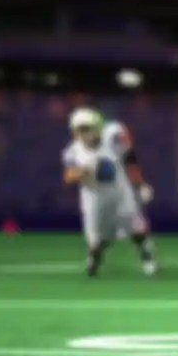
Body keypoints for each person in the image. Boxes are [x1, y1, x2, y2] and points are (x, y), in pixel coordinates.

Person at [61, 108, 157, 277]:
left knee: (135, 227)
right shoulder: (73, 151)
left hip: (120, 192)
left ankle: (146, 255)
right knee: (98, 239)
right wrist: (83, 171)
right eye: (79, 130)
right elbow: (68, 176)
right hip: (93, 198)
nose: (83, 134)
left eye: (86, 129)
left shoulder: (113, 137)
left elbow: (130, 159)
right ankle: (94, 258)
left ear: (97, 127)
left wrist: (140, 184)